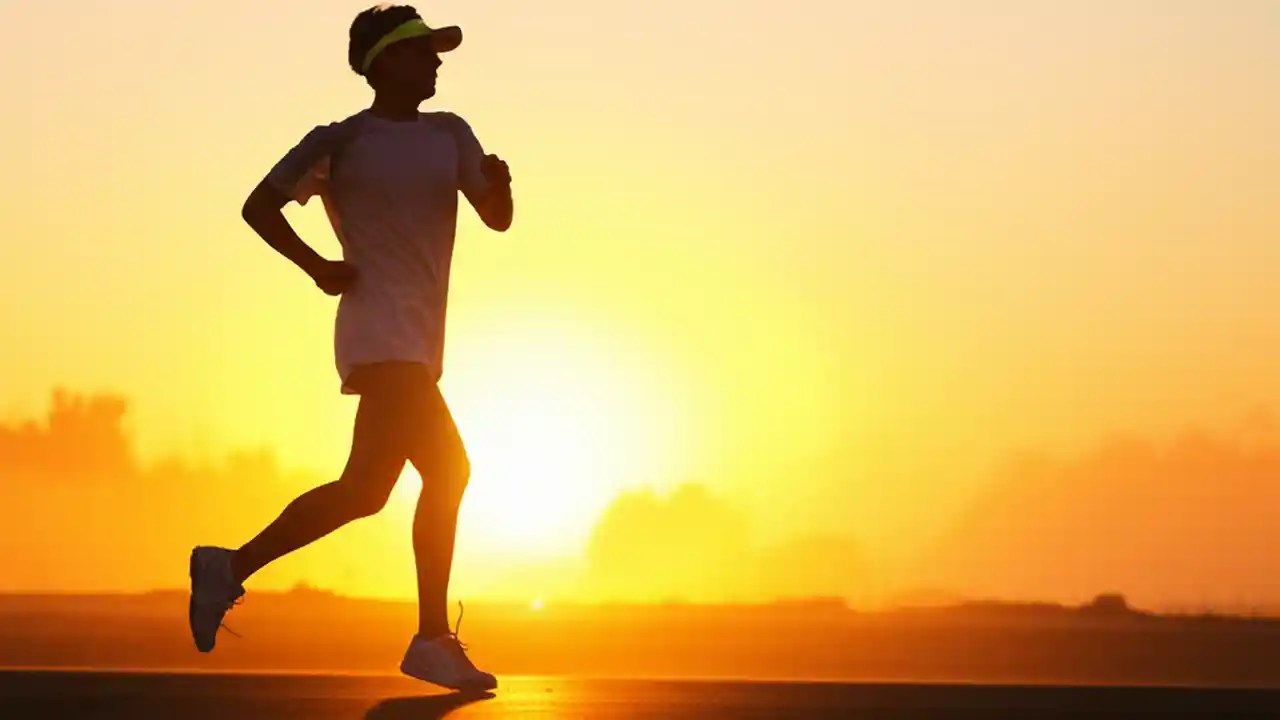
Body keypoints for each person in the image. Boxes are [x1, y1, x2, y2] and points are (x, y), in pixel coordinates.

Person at [187, 4, 513, 693]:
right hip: (376, 332)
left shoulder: (451, 133)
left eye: (435, 52)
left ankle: (228, 567)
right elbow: (258, 206)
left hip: (420, 342)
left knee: (363, 492)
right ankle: (429, 639)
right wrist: (316, 267)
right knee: (450, 472)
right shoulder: (337, 141)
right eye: (421, 51)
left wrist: (502, 183)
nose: (435, 62)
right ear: (384, 61)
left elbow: (496, 218)